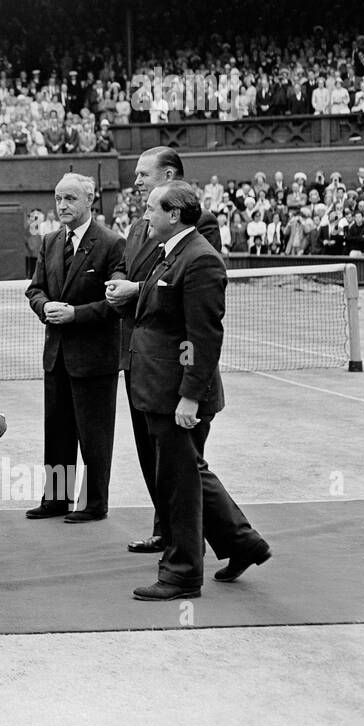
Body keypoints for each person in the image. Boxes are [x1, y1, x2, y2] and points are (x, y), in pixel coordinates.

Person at [109, 183, 272, 599]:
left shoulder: (199, 260)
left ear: (175, 214)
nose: (145, 216)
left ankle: (182, 573)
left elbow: (203, 335)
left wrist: (190, 397)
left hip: (177, 392)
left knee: (179, 482)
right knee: (189, 472)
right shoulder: (171, 253)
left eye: (151, 209)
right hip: (158, 387)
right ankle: (242, 543)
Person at [104, 146, 220, 555]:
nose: (135, 182)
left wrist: (138, 289)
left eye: (143, 175)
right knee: (152, 454)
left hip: (176, 367)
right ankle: (170, 530)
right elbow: (125, 264)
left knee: (184, 464)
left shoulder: (198, 225)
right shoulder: (140, 226)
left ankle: (191, 541)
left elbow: (194, 309)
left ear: (169, 176)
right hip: (139, 359)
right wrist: (120, 282)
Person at [24, 175, 124, 521]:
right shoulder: (50, 241)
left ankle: (95, 504)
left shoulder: (113, 244)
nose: (62, 205)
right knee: (58, 431)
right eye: (58, 198)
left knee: (94, 436)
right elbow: (35, 289)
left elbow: (117, 304)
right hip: (57, 357)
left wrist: (75, 314)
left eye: (70, 198)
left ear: (90, 200)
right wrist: (45, 307)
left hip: (95, 359)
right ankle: (56, 499)